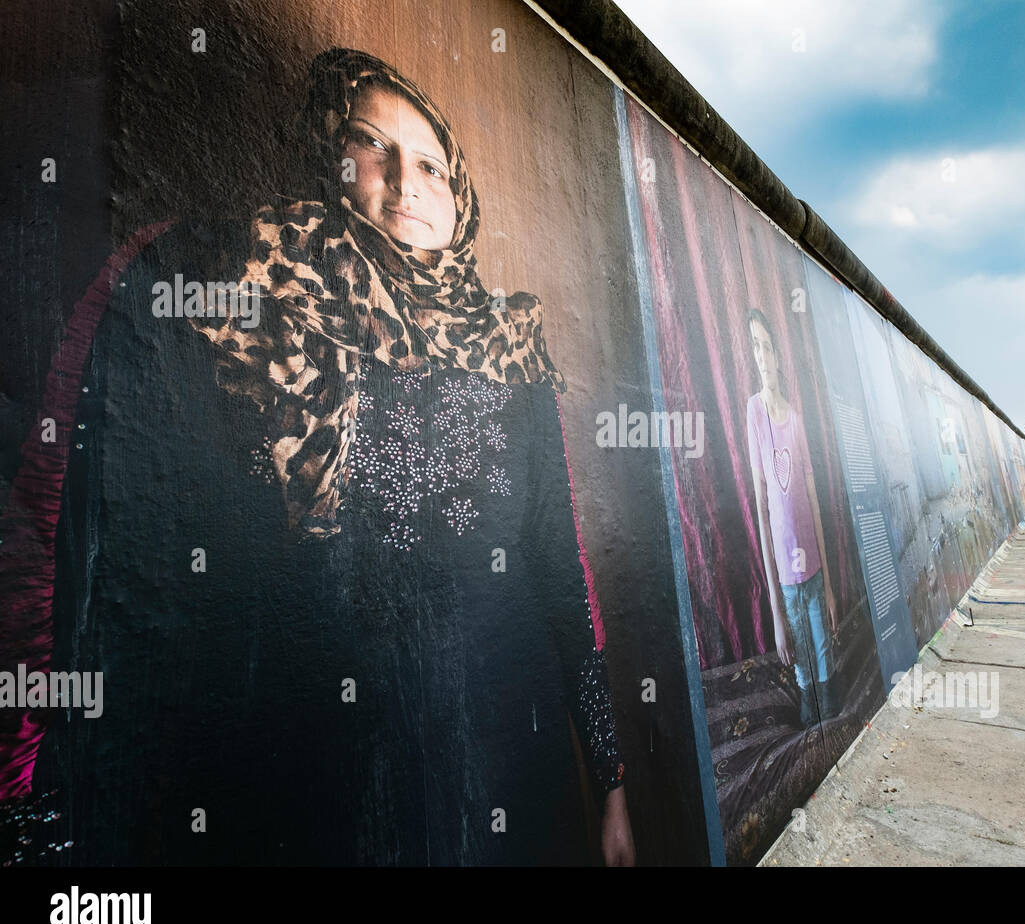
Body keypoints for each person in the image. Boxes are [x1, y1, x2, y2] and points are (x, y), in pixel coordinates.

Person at [3, 48, 634, 866]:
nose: (406, 182)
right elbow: (77, 539)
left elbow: (562, 569)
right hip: (301, 796)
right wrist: (35, 797)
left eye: (432, 167)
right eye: (373, 146)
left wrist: (610, 778)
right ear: (328, 156)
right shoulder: (238, 289)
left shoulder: (510, 353)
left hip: (508, 772)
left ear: (461, 197)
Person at [745, 307, 838, 729]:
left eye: (767, 347)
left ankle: (827, 700)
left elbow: (814, 500)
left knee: (823, 655)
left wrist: (832, 588)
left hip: (815, 570)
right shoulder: (754, 412)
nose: (762, 357)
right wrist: (775, 612)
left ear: (778, 356)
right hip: (786, 577)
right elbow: (763, 511)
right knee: (801, 653)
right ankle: (807, 698)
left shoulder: (797, 419)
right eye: (754, 348)